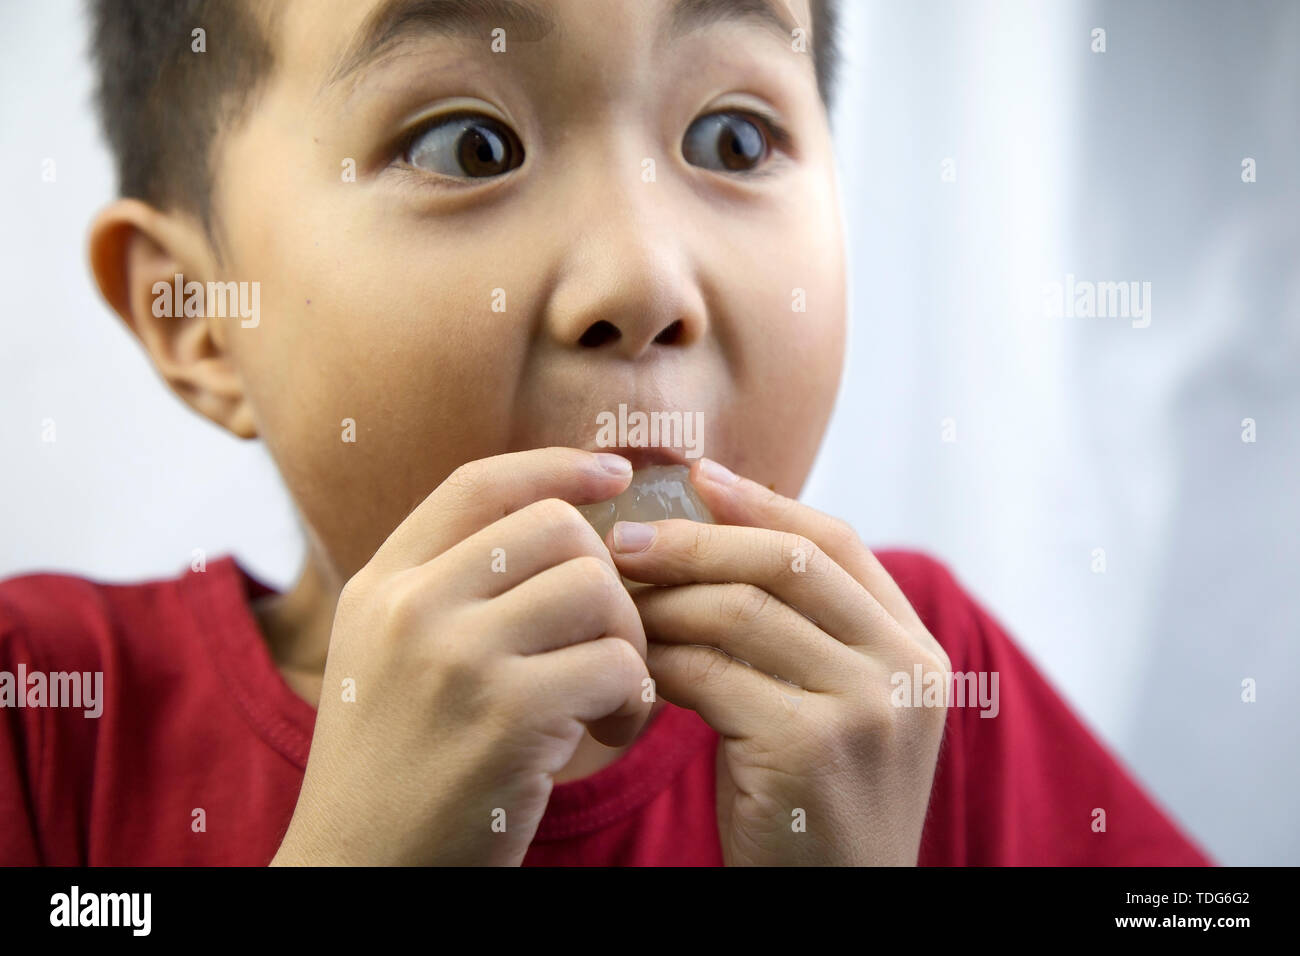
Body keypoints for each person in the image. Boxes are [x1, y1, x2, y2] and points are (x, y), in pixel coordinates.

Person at [0, 0, 1211, 866]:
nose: (643, 278)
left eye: (731, 137)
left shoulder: (917, 687)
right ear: (198, 314)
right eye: (467, 145)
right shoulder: (49, 714)